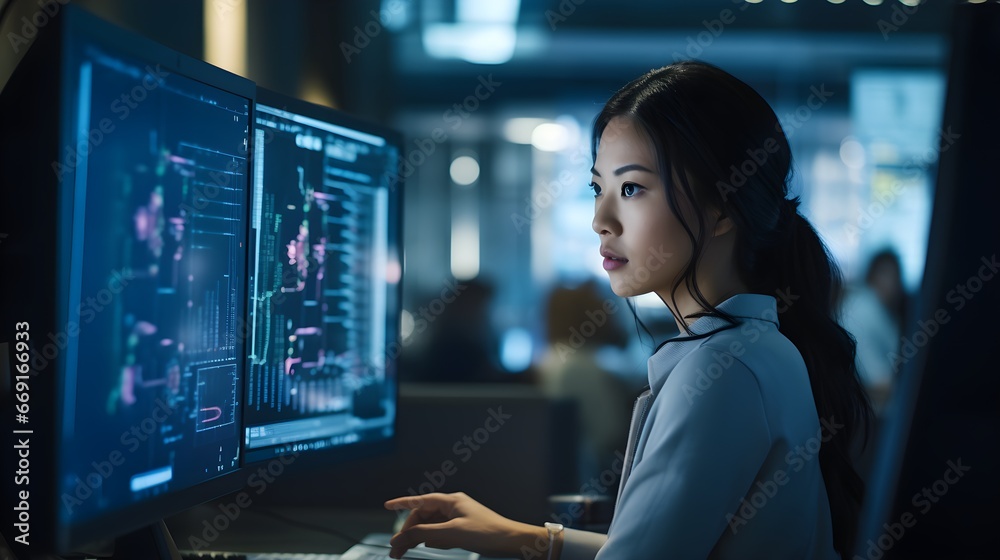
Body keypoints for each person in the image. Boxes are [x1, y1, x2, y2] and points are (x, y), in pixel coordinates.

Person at [383, 61, 873, 560]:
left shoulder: (723, 369)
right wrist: (519, 537)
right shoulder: (756, 349)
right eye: (599, 189)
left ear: (723, 207)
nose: (601, 220)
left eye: (632, 188)